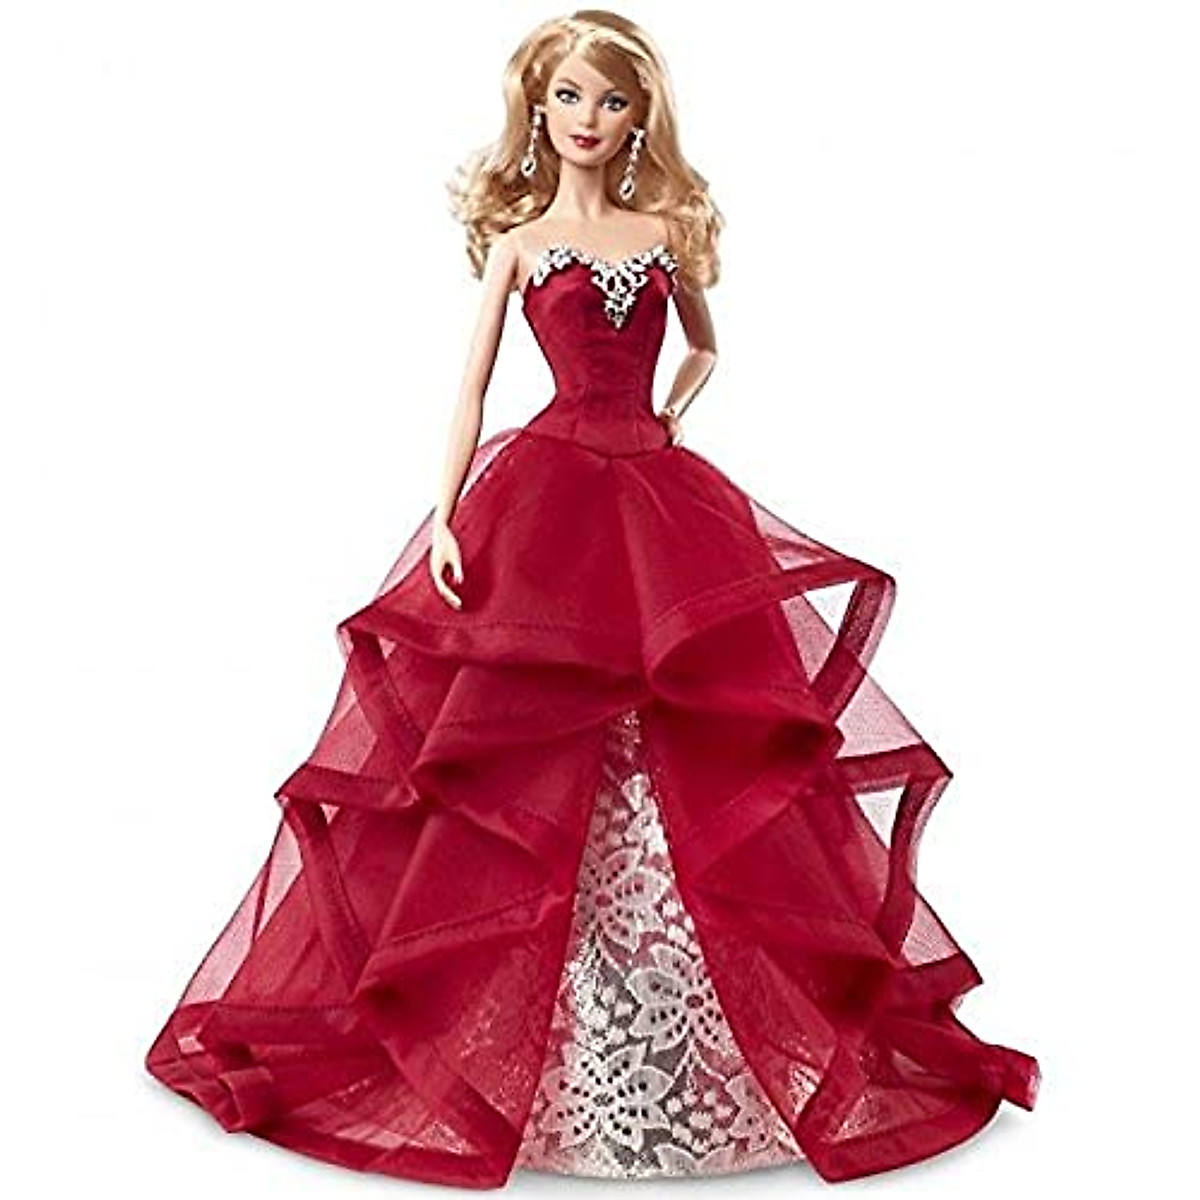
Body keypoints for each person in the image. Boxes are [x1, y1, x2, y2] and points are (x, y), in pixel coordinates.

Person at [144, 8, 1040, 1188]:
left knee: (689, 731)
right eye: (567, 97)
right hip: (546, 498)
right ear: (536, 108)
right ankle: (526, 1032)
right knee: (523, 735)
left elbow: (706, 347)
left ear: (641, 116)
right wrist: (449, 515)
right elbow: (469, 392)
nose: (587, 119)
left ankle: (683, 1023)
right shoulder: (519, 242)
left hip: (658, 494)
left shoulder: (665, 232)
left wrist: (673, 410)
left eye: (611, 101)